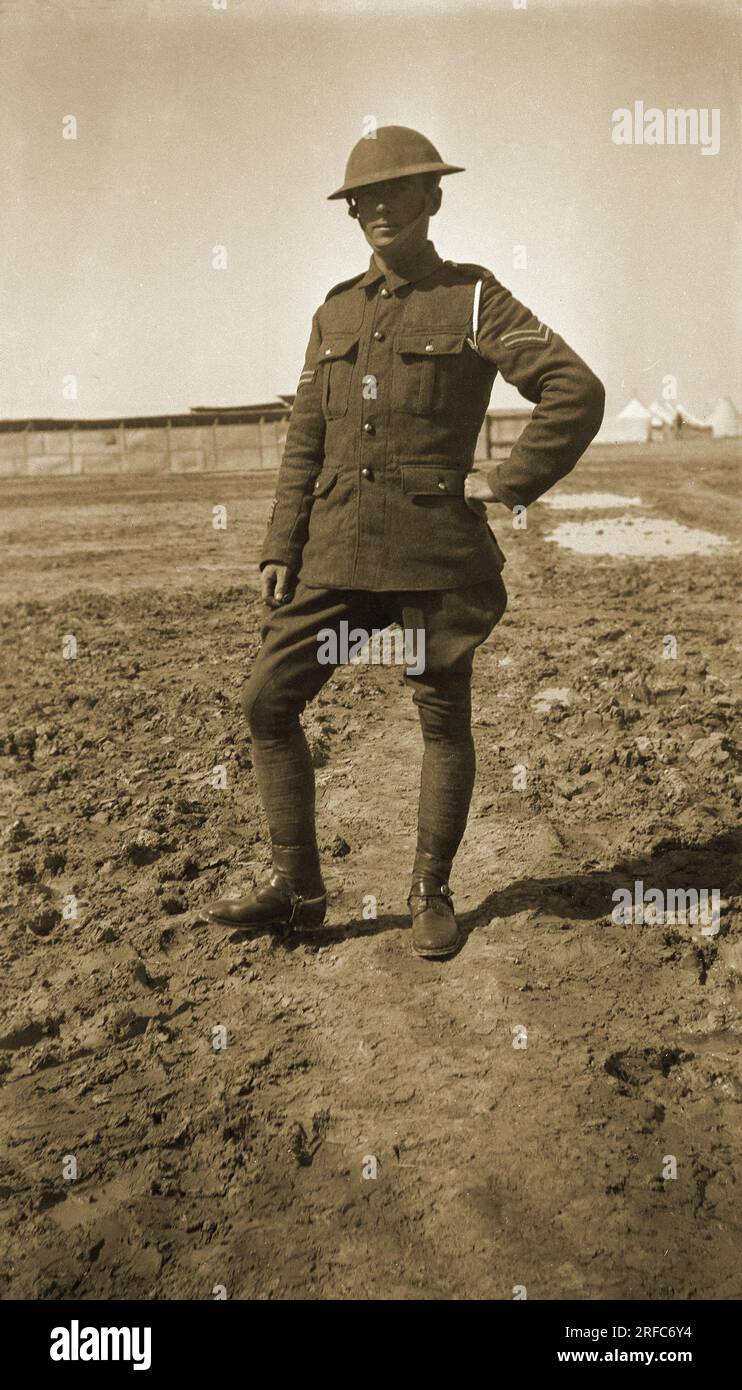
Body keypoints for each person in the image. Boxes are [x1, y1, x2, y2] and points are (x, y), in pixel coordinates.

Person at [206, 125, 605, 958]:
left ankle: (431, 889)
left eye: (398, 192)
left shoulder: (472, 299)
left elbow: (574, 388)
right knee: (266, 703)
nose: (380, 208)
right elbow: (305, 437)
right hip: (336, 551)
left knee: (439, 714)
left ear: (433, 199)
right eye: (366, 198)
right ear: (352, 213)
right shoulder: (333, 310)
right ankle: (298, 889)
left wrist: (503, 482)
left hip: (432, 555)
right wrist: (282, 543)